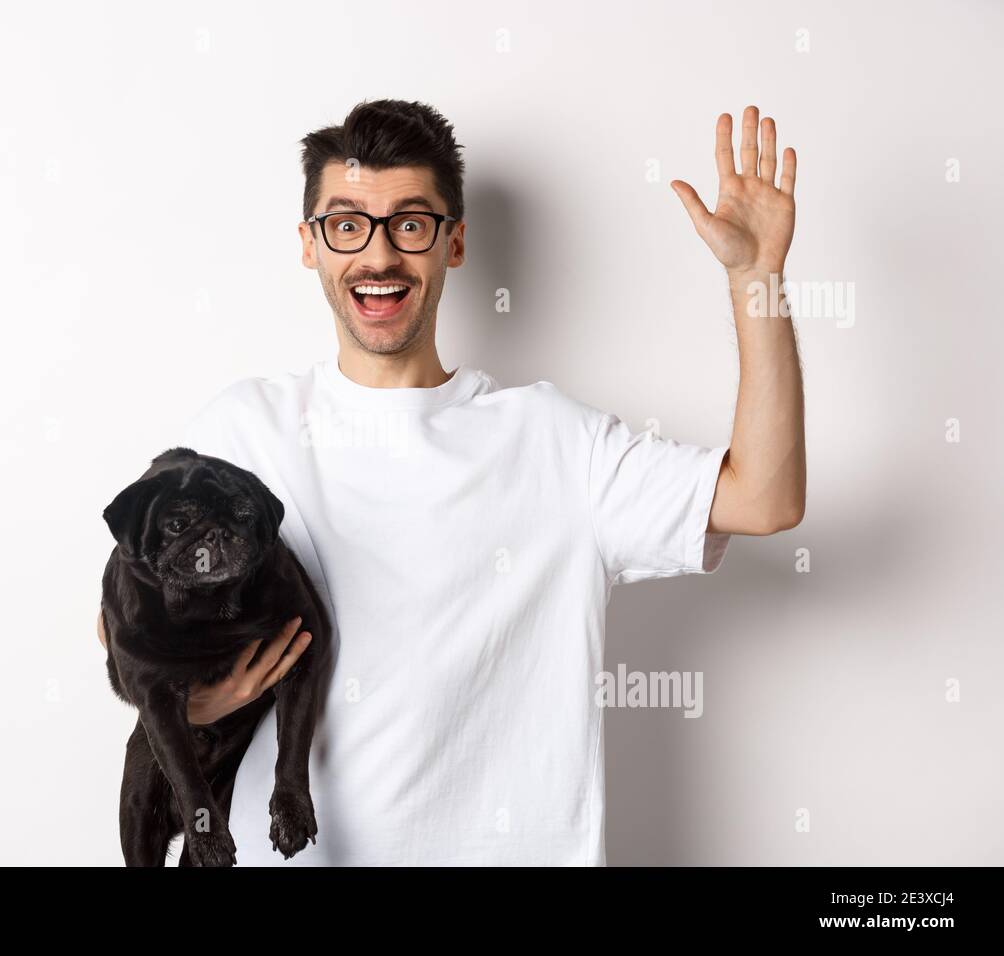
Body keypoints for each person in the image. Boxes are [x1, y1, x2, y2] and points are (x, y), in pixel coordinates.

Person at [99, 98, 805, 865]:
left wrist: (756, 279)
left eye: (409, 222)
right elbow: (119, 614)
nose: (378, 256)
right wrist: (196, 703)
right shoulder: (239, 431)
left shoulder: (552, 440)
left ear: (454, 241)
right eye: (346, 224)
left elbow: (765, 497)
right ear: (310, 245)